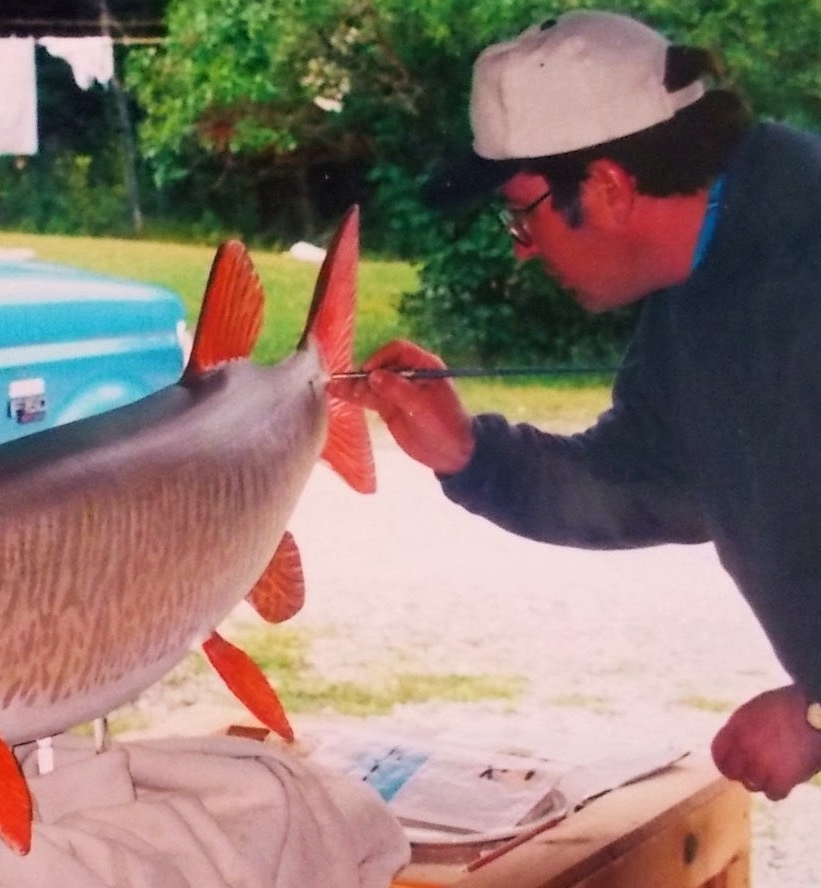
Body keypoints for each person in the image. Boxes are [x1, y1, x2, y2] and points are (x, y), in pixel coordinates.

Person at [331, 9, 821, 801]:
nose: (519, 248)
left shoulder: (803, 263)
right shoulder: (706, 273)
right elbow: (643, 481)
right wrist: (468, 453)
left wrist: (814, 716)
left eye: (520, 215)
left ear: (607, 187)